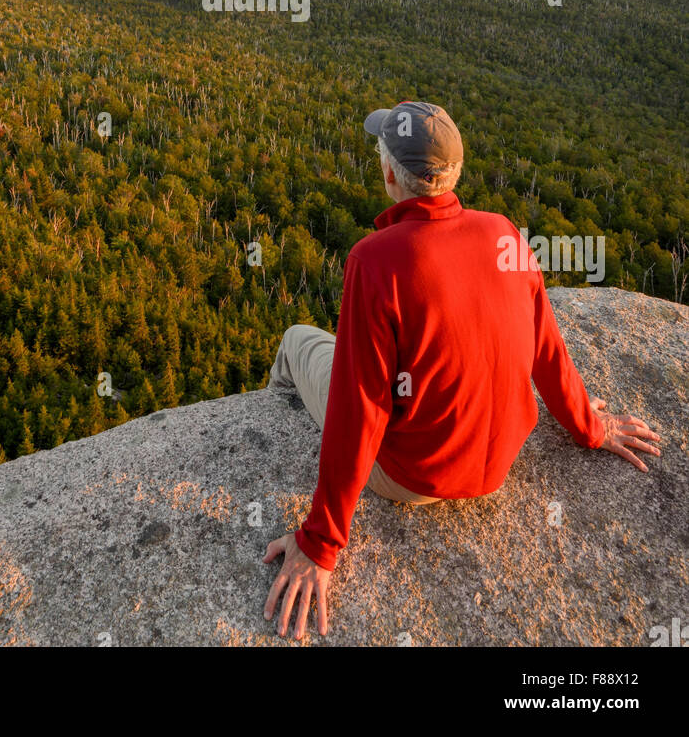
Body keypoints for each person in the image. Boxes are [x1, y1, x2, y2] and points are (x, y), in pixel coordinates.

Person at [262, 100, 662, 641]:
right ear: (455, 173)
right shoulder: (504, 234)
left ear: (388, 174)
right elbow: (546, 349)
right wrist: (591, 427)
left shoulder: (372, 261)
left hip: (413, 478)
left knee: (298, 340)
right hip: (498, 467)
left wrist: (320, 543)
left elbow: (361, 407)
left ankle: (271, 400)